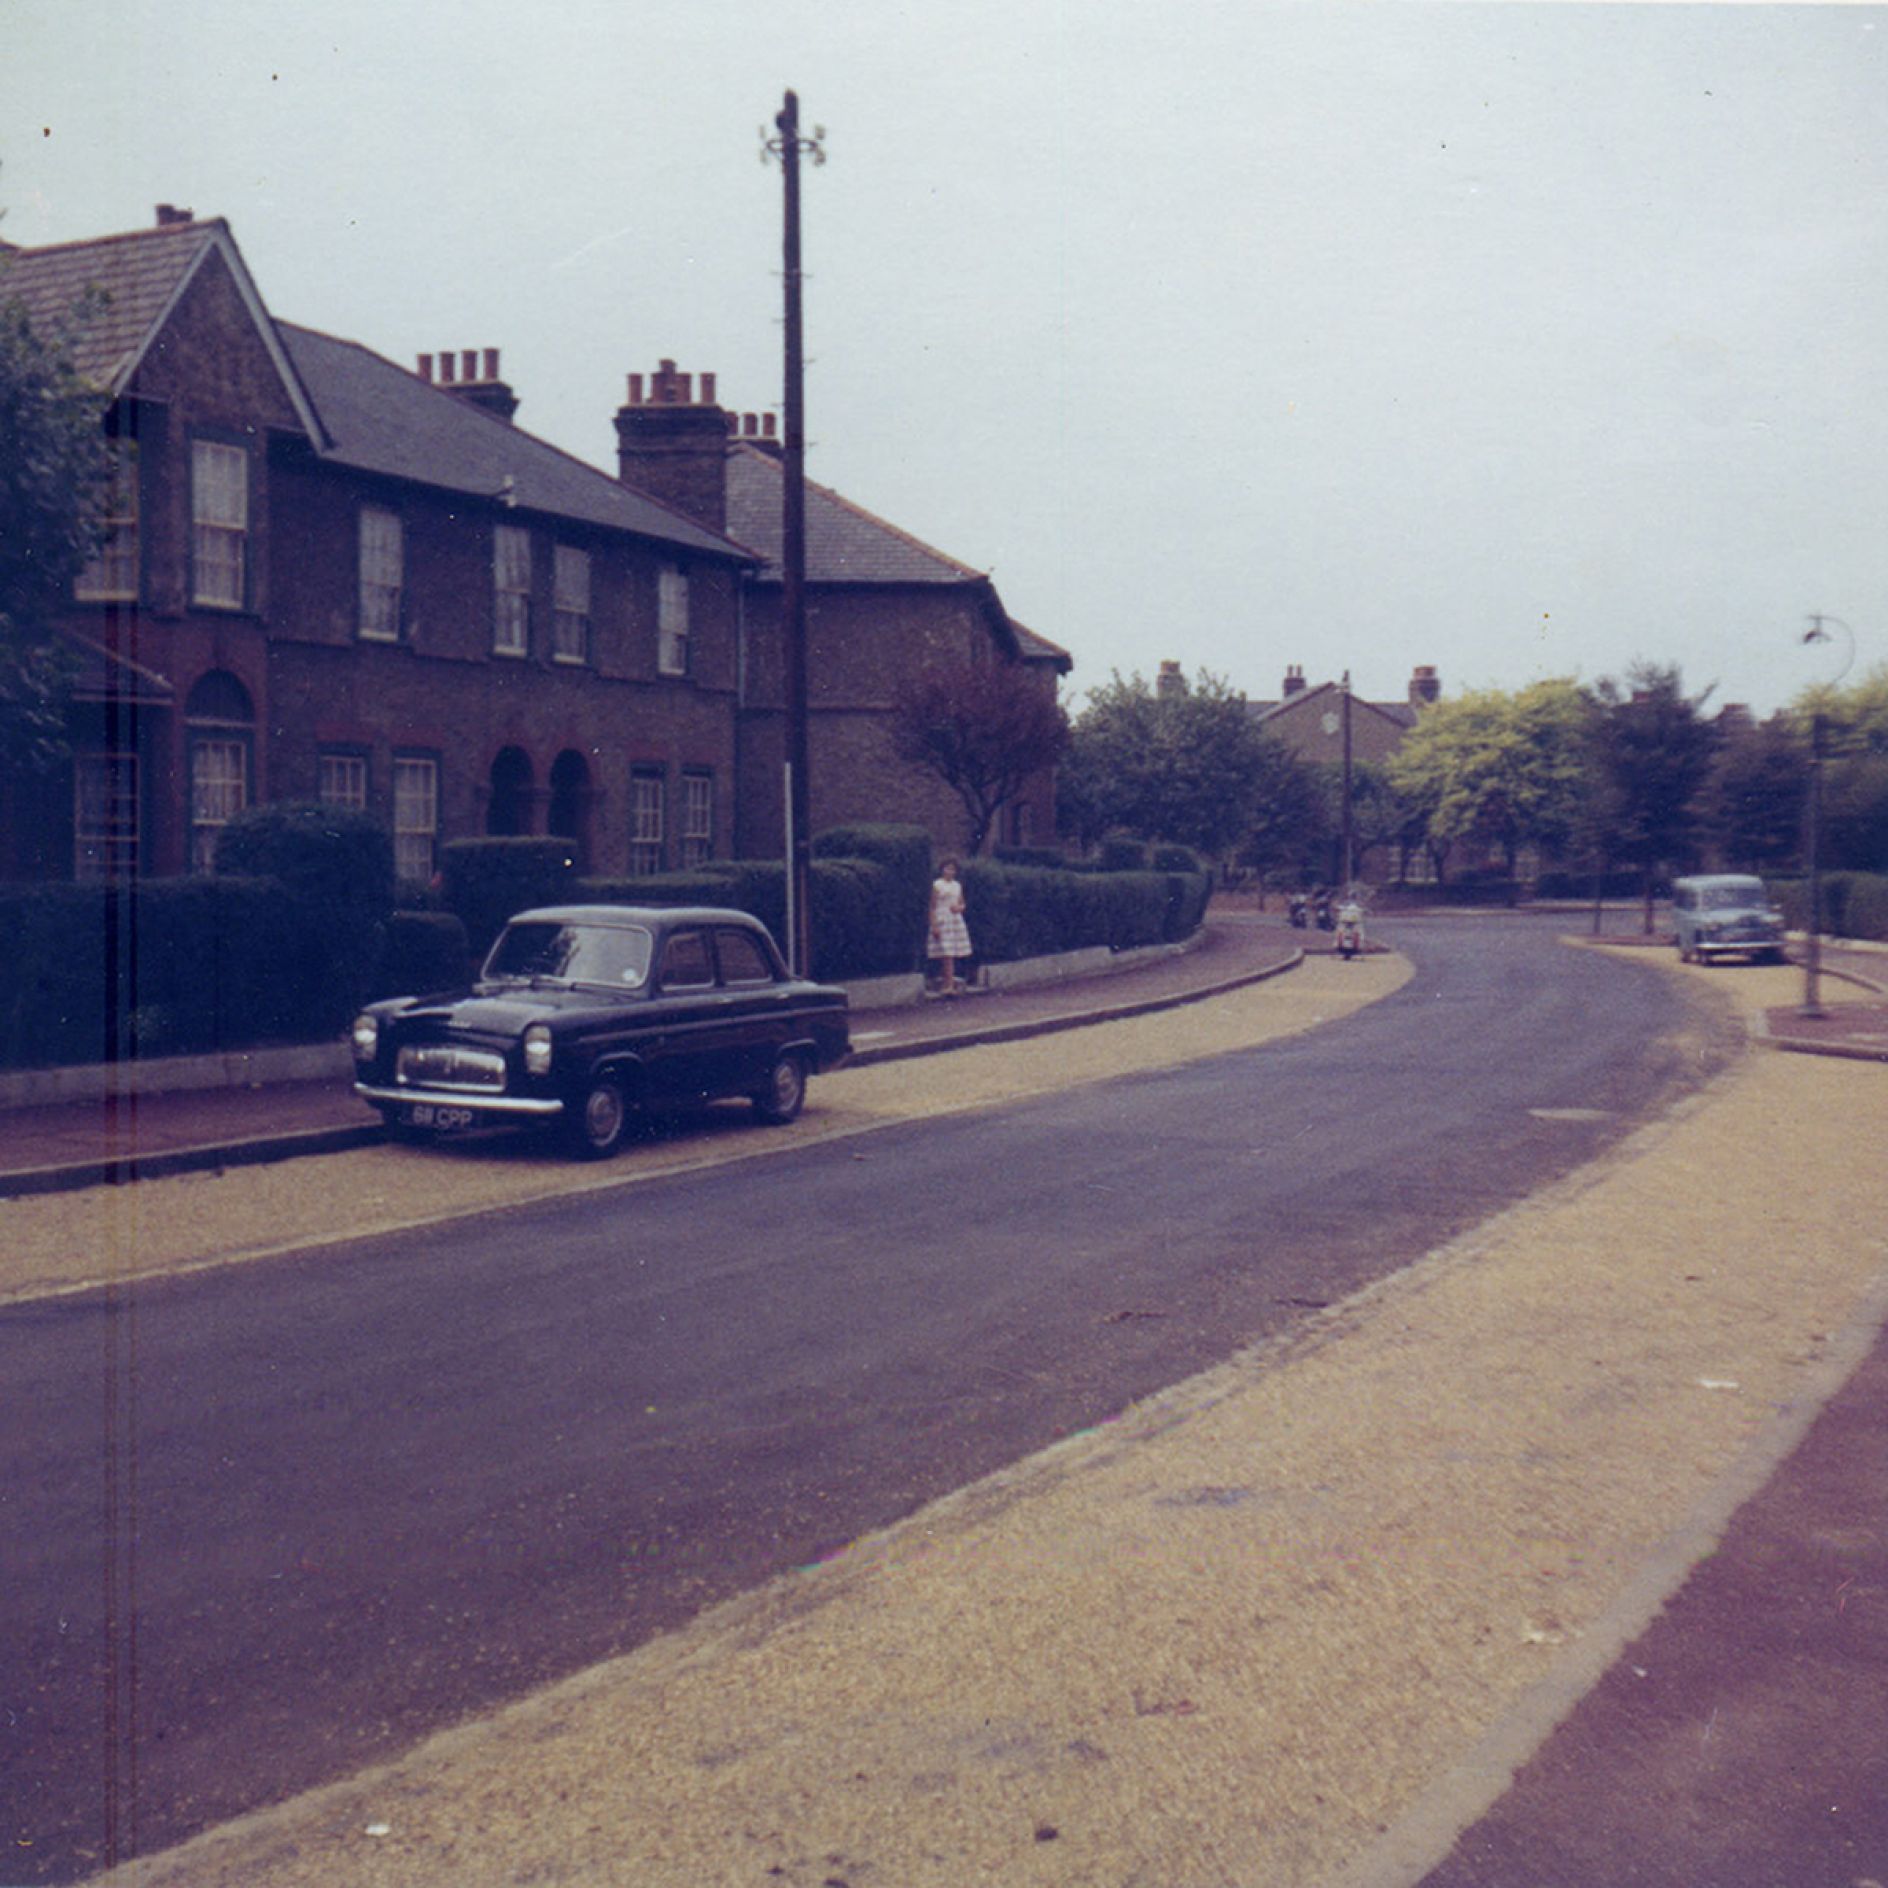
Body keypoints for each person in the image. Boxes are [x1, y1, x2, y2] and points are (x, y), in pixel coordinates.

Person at [928, 858, 972, 995]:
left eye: (953, 869)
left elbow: (963, 904)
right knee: (946, 953)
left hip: (954, 920)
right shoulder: (937, 885)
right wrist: (934, 924)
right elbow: (932, 906)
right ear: (942, 869)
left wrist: (958, 908)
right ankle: (948, 985)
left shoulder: (957, 885)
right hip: (942, 918)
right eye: (947, 868)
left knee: (950, 953)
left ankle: (948, 984)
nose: (950, 872)